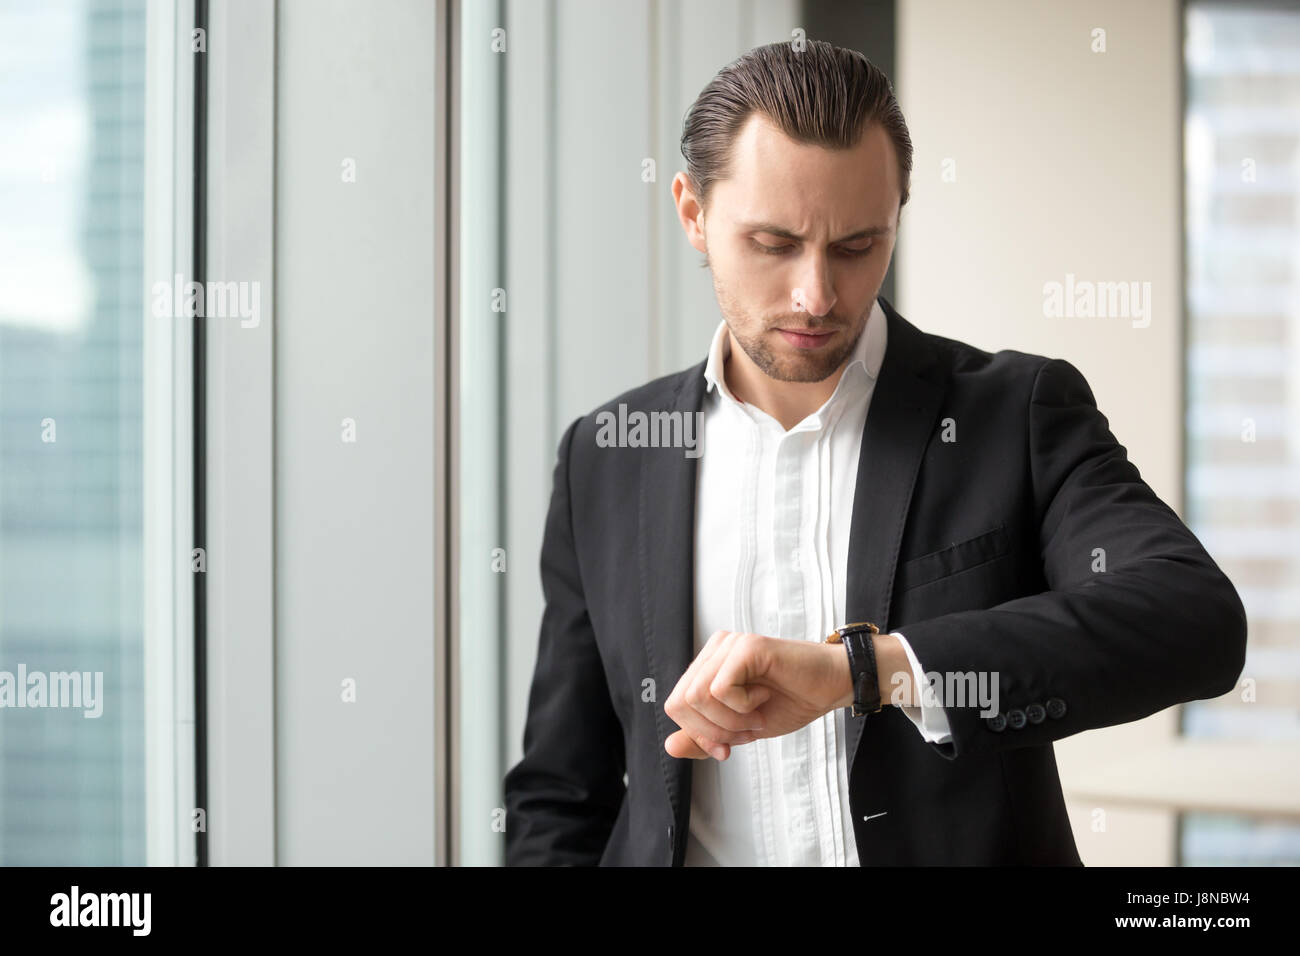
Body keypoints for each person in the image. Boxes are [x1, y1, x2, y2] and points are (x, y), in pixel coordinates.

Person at [503, 39, 1246, 866]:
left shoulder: (1015, 414)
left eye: (857, 246)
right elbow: (560, 795)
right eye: (774, 243)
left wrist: (870, 671)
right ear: (693, 215)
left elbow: (1194, 620)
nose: (816, 296)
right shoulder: (608, 456)